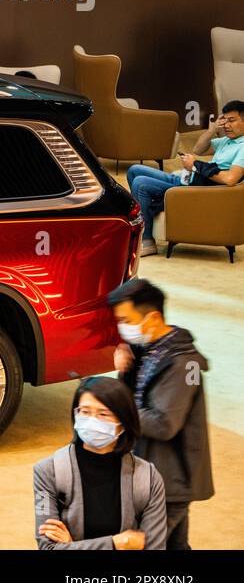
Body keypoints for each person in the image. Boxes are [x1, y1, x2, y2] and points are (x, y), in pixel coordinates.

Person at [110, 278, 213, 549]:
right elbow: (135, 399)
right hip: (154, 471)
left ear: (153, 317)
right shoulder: (148, 349)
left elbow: (165, 423)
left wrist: (117, 409)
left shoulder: (183, 363)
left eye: (127, 320)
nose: (123, 328)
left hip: (171, 481)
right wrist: (124, 373)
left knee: (143, 545)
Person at [33, 376, 167, 550]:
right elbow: (47, 547)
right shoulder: (48, 471)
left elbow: (154, 547)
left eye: (103, 414)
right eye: (85, 411)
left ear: (124, 422)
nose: (92, 420)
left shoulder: (148, 478)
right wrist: (117, 544)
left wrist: (73, 546)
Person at [126, 101, 244, 255]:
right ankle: (148, 211)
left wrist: (196, 165)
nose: (227, 125)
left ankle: (147, 240)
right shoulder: (227, 141)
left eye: (232, 120)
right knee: (134, 170)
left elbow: (230, 179)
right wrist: (212, 130)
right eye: (225, 120)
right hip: (188, 179)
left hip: (197, 190)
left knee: (141, 183)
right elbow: (198, 149)